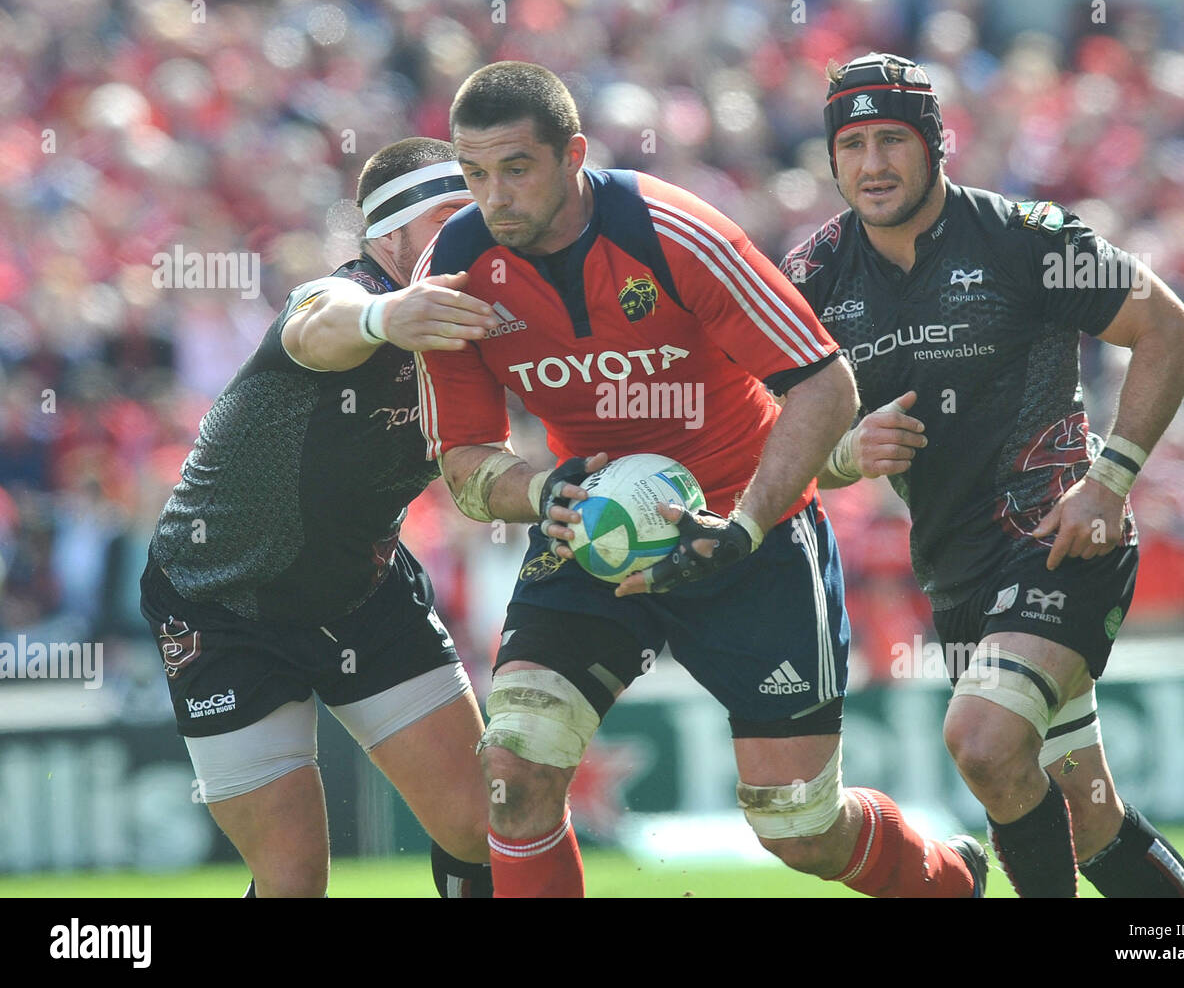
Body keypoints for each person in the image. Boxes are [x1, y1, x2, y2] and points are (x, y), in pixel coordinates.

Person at [413, 60, 988, 899]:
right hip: (591, 532)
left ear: (573, 155)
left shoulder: (674, 235)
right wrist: (545, 494)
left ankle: (945, 882)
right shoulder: (456, 269)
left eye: (516, 168)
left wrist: (745, 526)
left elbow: (826, 386)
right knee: (516, 772)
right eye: (473, 174)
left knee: (799, 826)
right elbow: (463, 459)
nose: (493, 196)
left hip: (753, 535)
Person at [781, 52, 1184, 897]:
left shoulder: (1024, 238)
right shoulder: (811, 279)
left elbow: (1171, 331)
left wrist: (1110, 480)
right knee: (1089, 819)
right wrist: (842, 452)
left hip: (1060, 537)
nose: (873, 164)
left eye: (893, 139)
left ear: (935, 145)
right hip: (955, 570)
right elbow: (773, 440)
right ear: (831, 158)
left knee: (981, 741)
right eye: (853, 144)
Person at [140, 137, 500, 897]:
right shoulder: (350, 296)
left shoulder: (485, 316)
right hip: (217, 600)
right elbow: (318, 323)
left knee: (484, 828)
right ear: (390, 237)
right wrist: (388, 317)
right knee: (294, 881)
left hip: (360, 591)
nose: (476, 230)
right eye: (451, 214)